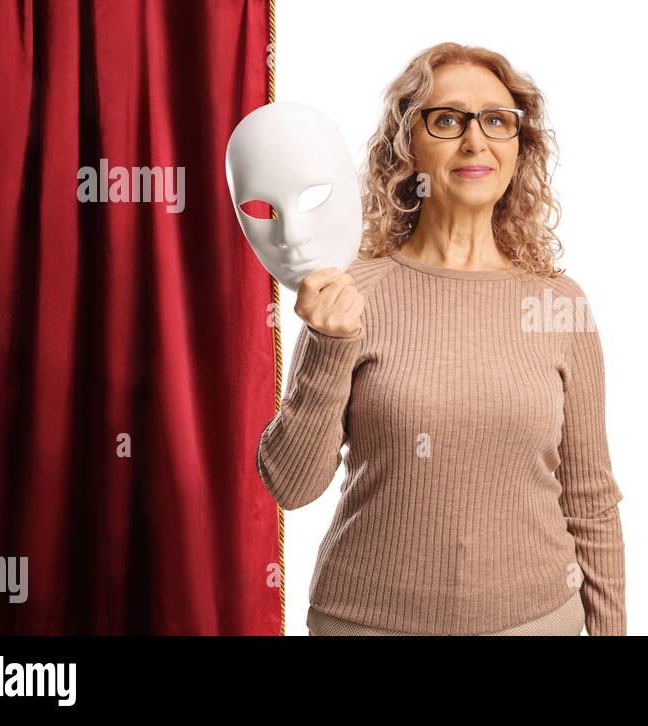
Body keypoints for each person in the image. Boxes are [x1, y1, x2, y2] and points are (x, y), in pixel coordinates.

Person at [258, 42, 626, 636]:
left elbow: (590, 500)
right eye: (448, 120)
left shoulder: (559, 304)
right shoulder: (350, 292)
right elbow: (293, 486)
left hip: (535, 623)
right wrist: (327, 347)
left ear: (519, 147)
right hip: (366, 624)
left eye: (497, 121)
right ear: (407, 146)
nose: (475, 140)